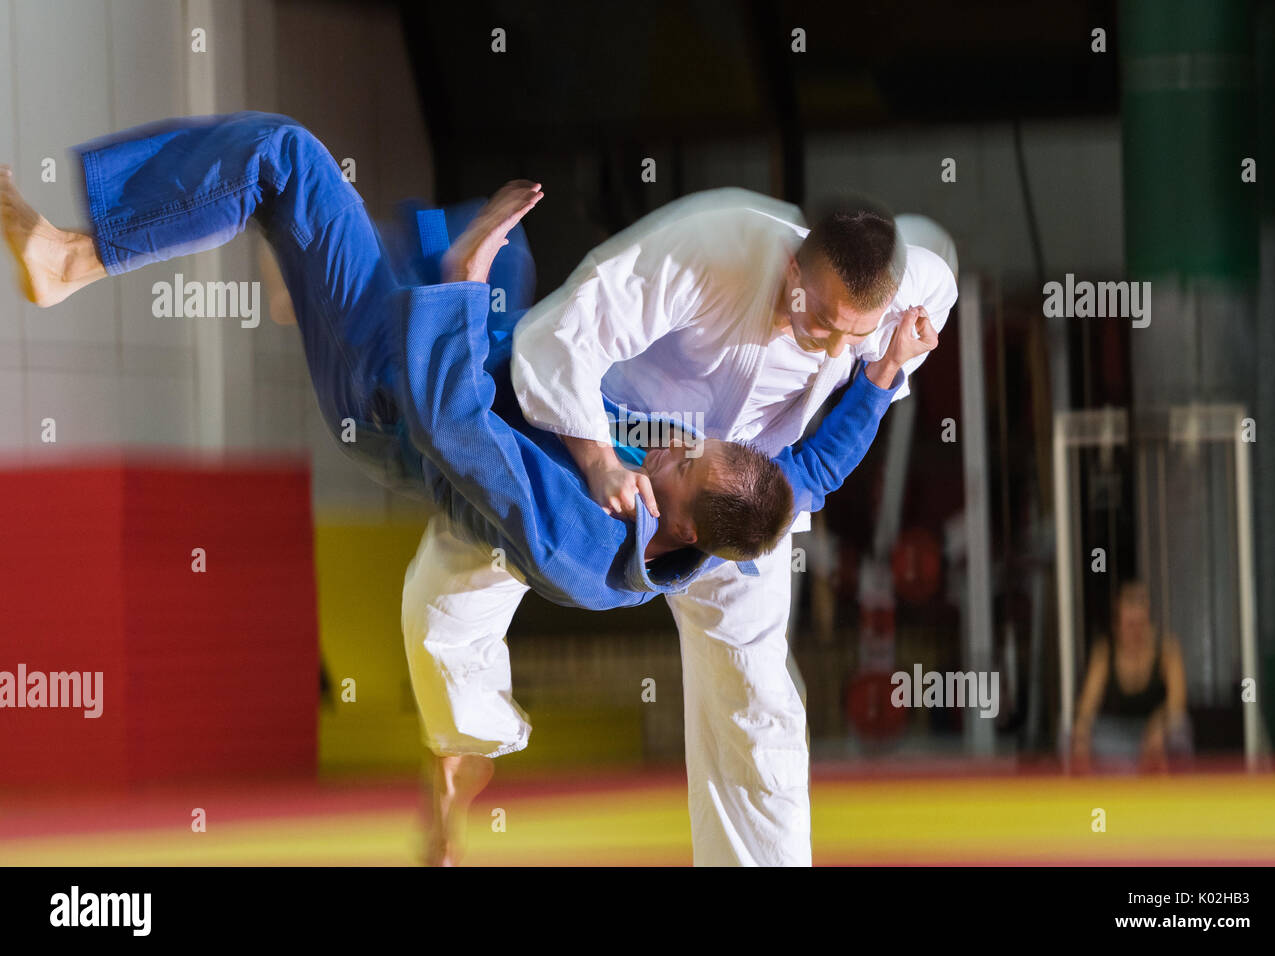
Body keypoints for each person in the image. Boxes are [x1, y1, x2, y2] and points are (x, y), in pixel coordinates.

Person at [0, 110, 926, 863]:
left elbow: (453, 424)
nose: (671, 446)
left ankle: (77, 259)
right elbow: (806, 474)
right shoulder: (694, 506)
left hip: (394, 393)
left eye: (679, 464)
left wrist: (466, 272)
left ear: (677, 525)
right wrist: (878, 383)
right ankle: (305, 272)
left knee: (284, 156)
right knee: (504, 271)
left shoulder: (580, 531)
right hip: (463, 358)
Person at [405, 184, 954, 865]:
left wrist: (888, 363)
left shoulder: (911, 293)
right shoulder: (710, 249)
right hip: (620, 445)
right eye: (824, 323)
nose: (833, 346)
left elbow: (824, 459)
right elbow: (564, 335)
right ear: (793, 276)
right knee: (452, 594)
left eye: (854, 333)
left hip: (739, 494)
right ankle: (461, 749)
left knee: (758, 703)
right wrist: (600, 459)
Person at [1071, 580, 1193, 772]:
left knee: (1180, 728)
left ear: (1148, 620)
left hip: (1156, 731)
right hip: (1117, 735)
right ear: (1117, 623)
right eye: (1130, 624)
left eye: (1140, 624)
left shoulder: (1166, 649)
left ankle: (1171, 794)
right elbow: (1087, 705)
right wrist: (1081, 734)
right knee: (1068, 732)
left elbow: (1177, 702)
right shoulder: (1105, 651)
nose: (1135, 631)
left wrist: (1159, 725)